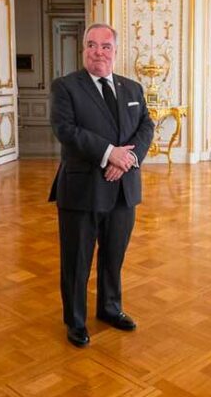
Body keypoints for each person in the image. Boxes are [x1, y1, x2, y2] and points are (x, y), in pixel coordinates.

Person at [49, 23, 154, 348]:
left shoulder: (132, 89)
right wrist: (109, 154)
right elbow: (66, 130)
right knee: (77, 261)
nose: (98, 52)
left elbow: (146, 126)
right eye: (91, 45)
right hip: (82, 190)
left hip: (124, 189)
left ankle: (110, 308)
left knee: (113, 256)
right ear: (83, 50)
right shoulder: (65, 87)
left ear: (115, 51)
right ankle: (76, 322)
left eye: (105, 46)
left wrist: (126, 161)